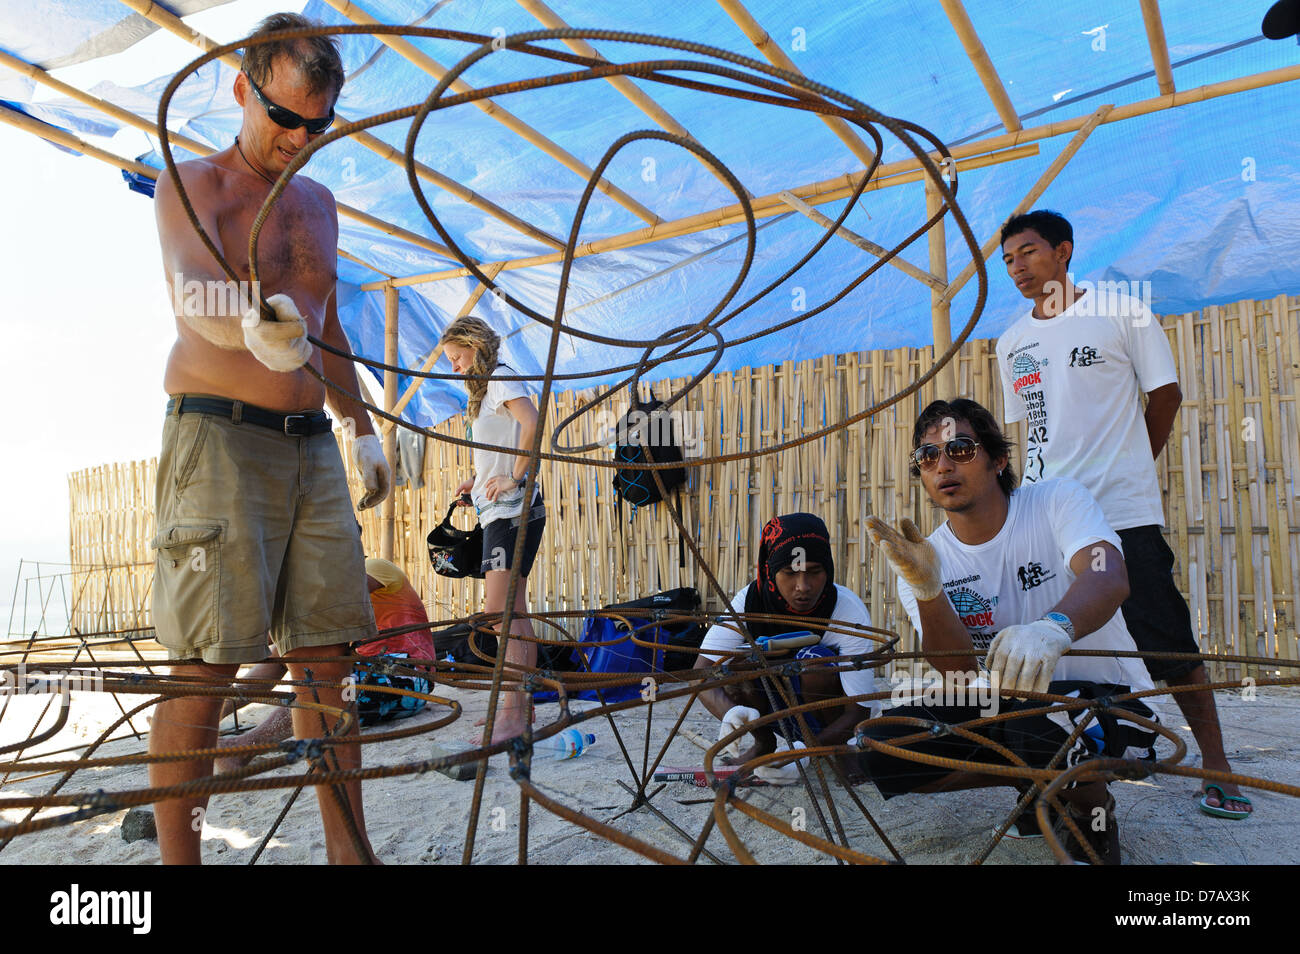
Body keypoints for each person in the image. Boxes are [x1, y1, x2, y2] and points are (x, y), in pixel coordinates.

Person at [148, 12, 388, 864]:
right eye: (284, 117)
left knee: (329, 660)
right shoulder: (195, 184)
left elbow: (326, 327)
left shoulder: (319, 204)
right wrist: (247, 324)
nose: (299, 138)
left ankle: (348, 855)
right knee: (206, 662)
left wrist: (359, 427)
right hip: (219, 438)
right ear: (243, 88)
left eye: (316, 125)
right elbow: (192, 292)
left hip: (309, 447)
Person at [996, 210, 1249, 820]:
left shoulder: (1122, 313)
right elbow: (1031, 432)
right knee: (1045, 637)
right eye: (1007, 261)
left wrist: (1135, 463)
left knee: (1163, 633)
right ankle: (1065, 764)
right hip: (1044, 512)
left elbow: (1165, 396)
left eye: (1027, 253)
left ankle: (1217, 766)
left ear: (1063, 251)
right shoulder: (1010, 343)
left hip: (1120, 508)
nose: (1018, 268)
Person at [862, 399, 1159, 864]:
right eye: (928, 456)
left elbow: (1108, 575)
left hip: (1109, 701)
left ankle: (1093, 812)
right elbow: (957, 672)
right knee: (884, 743)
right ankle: (1037, 783)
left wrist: (1053, 628)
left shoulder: (1056, 500)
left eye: (960, 449)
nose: (943, 465)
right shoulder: (923, 558)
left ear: (998, 459)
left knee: (1031, 724)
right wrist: (927, 588)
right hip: (1011, 708)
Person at [693, 513, 878, 779]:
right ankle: (764, 743)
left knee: (815, 660)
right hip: (775, 704)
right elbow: (701, 672)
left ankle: (837, 749)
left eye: (814, 572)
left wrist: (803, 755)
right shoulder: (751, 602)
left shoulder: (846, 610)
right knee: (736, 665)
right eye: (790, 573)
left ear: (829, 567)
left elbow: (857, 710)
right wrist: (731, 712)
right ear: (769, 570)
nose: (802, 586)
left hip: (826, 708)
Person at [215, 557, 437, 771]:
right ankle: (215, 714)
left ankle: (245, 747)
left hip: (410, 678)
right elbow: (285, 632)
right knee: (288, 649)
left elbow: (333, 607)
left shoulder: (375, 568)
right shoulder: (328, 586)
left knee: (323, 683)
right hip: (369, 672)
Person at [439, 315, 546, 744]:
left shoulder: (501, 378)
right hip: (497, 512)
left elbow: (534, 423)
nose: (453, 366)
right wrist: (477, 481)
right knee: (513, 614)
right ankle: (519, 712)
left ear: (474, 346)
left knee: (500, 615)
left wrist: (515, 479)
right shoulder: (484, 392)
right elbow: (499, 448)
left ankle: (511, 715)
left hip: (513, 512)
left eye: (456, 357)